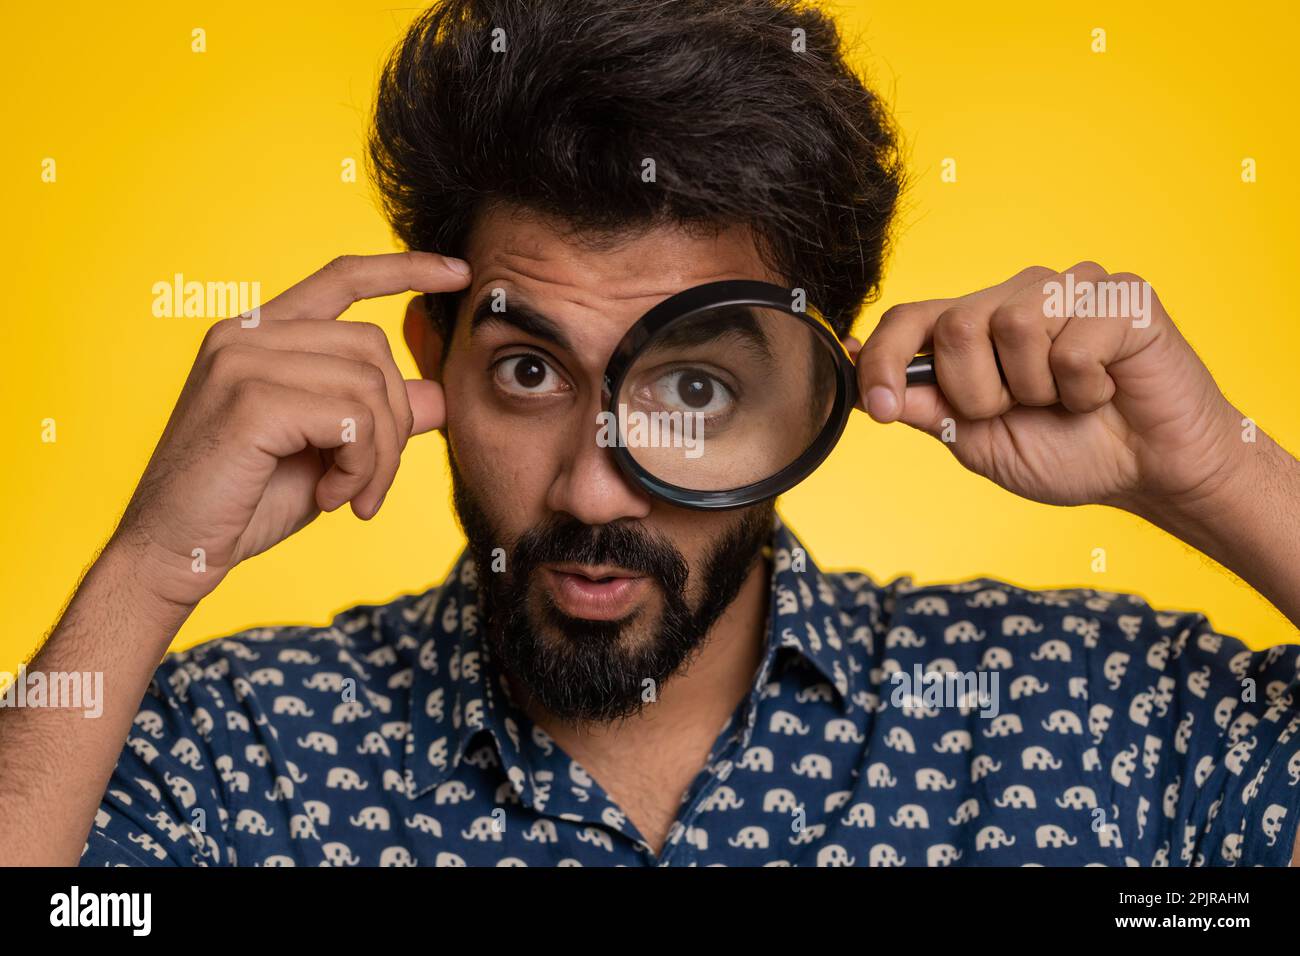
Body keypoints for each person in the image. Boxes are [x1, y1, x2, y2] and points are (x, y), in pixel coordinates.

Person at [2, 0, 1297, 867]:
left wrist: (1218, 472)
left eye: (692, 390)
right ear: (429, 361)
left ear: (813, 389)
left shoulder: (1095, 725)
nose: (593, 489)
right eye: (526, 369)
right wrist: (145, 564)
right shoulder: (239, 757)